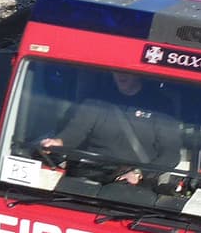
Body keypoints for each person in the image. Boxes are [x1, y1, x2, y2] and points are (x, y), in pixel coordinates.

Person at [40, 72, 181, 185]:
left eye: (128, 71)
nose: (121, 75)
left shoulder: (160, 105)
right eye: (117, 70)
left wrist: (140, 173)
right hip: (90, 175)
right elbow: (76, 130)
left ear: (139, 73)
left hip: (132, 184)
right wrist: (59, 142)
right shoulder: (98, 99)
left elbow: (171, 154)